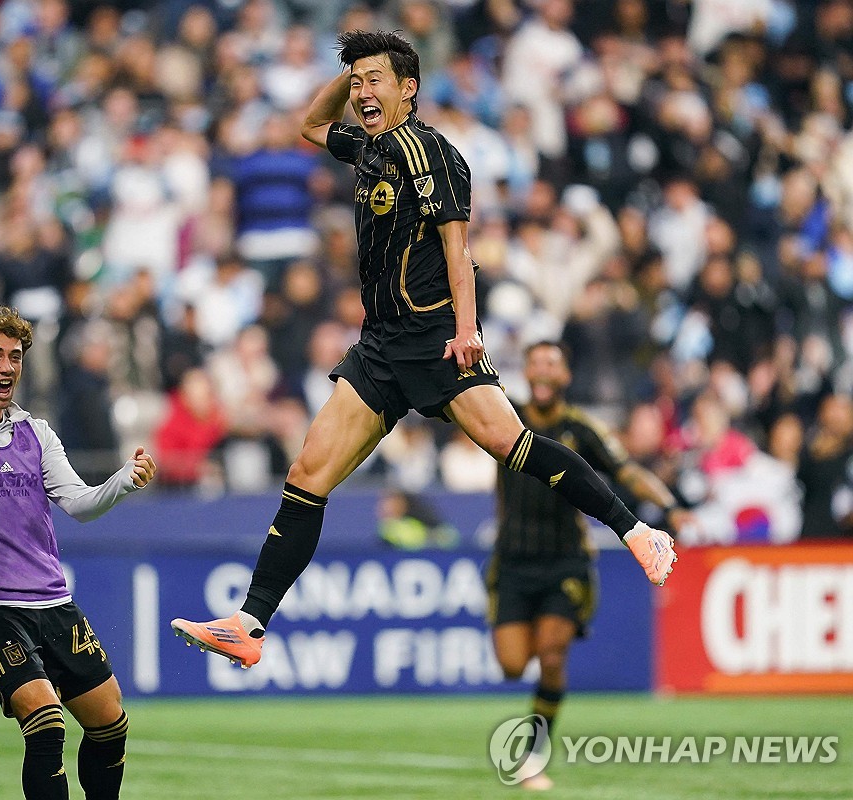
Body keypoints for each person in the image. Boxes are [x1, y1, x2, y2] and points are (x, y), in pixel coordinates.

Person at [170, 30, 678, 669]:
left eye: (375, 81)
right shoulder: (369, 148)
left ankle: (636, 531)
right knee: (306, 474)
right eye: (357, 84)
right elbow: (310, 126)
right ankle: (249, 625)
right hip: (380, 346)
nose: (362, 93)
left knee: (514, 446)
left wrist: (467, 330)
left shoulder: (430, 152)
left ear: (408, 88)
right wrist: (350, 70)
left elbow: (458, 250)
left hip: (435, 338)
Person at [0, 308, 156, 800]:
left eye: (15, 357)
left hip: (52, 601)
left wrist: (123, 481)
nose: (8, 367)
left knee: (110, 722)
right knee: (46, 721)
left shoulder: (36, 432)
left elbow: (79, 503)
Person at [489, 341, 693, 789]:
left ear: (565, 376)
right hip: (513, 561)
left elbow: (628, 472)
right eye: (536, 363)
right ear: (526, 372)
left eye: (552, 363)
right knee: (511, 664)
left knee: (551, 654)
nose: (543, 371)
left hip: (565, 560)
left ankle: (533, 754)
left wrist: (669, 506)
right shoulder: (503, 416)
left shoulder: (582, 429)